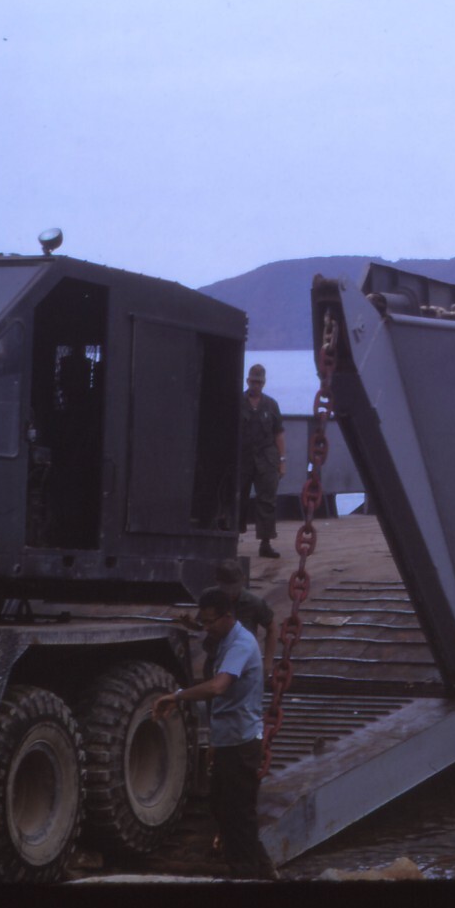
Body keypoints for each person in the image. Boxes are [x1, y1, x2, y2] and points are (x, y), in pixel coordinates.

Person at [152, 587, 278, 880]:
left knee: (239, 812)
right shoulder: (224, 638)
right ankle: (261, 867)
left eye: (210, 622)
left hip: (242, 743)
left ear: (227, 616)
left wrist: (177, 696)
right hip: (228, 740)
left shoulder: (241, 645)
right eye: (203, 622)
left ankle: (245, 873)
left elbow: (217, 687)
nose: (206, 628)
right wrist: (215, 743)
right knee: (220, 806)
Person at [200, 560, 277, 688]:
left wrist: (267, 662)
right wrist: (192, 624)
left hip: (242, 664)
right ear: (217, 582)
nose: (230, 592)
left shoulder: (254, 603)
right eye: (226, 587)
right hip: (215, 659)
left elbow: (272, 628)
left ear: (243, 581)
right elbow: (204, 625)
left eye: (234, 587)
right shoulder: (209, 597)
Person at [239, 363, 286, 558]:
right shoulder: (238, 402)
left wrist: (282, 461)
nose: (255, 385)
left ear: (264, 383)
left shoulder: (271, 405)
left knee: (267, 500)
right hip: (242, 458)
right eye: (252, 381)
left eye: (259, 382)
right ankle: (231, 540)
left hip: (266, 458)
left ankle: (265, 543)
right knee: (237, 499)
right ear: (247, 381)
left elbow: (279, 434)